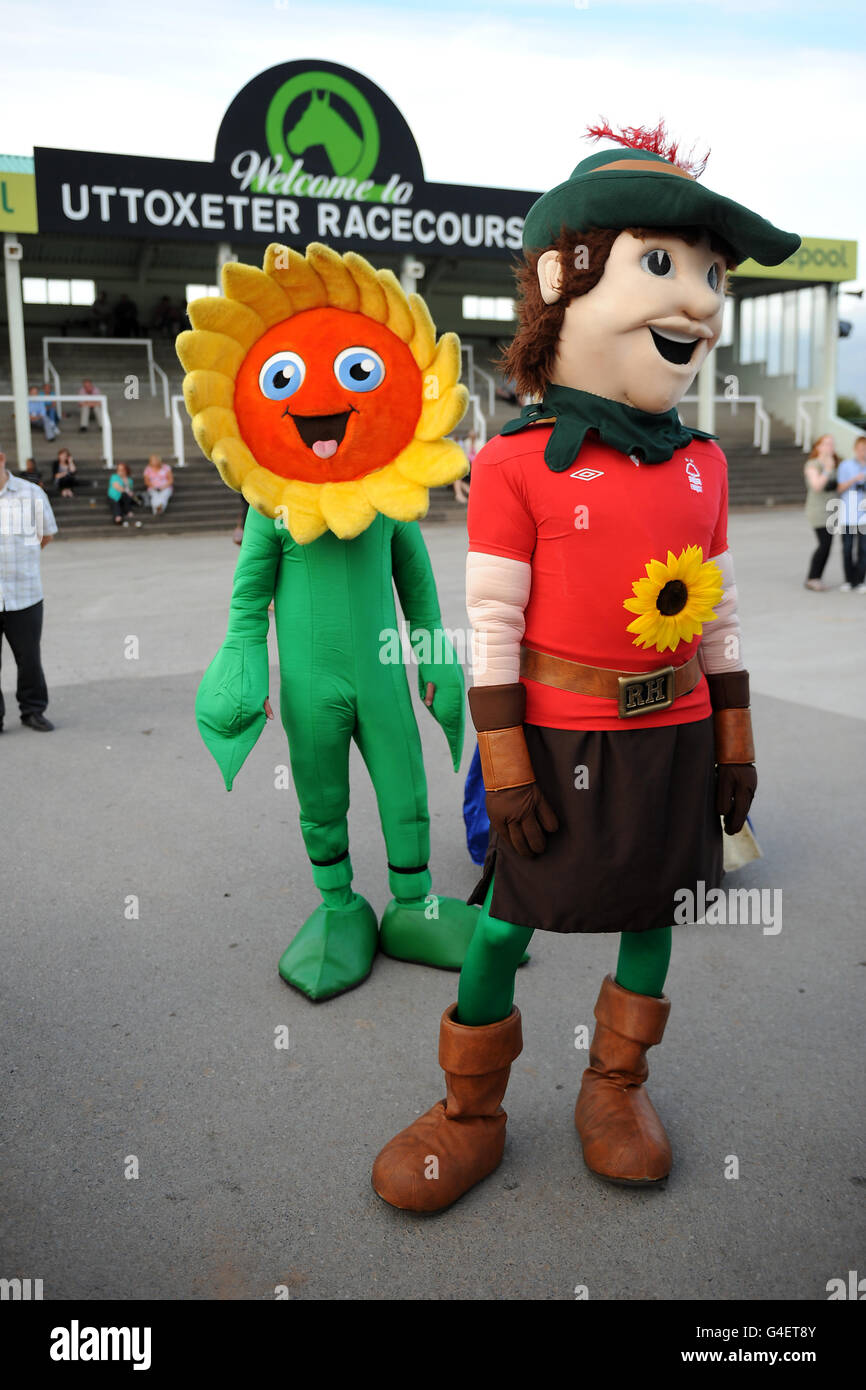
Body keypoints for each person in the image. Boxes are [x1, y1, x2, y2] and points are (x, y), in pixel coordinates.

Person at [372, 120, 799, 1212]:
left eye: (709, 276)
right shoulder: (514, 460)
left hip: (672, 737)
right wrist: (506, 765)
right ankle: (468, 1109)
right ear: (565, 278)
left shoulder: (701, 464)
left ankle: (614, 1087)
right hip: (557, 742)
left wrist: (733, 741)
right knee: (507, 922)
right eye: (662, 266)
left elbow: (719, 616)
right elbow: (493, 625)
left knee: (652, 915)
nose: (700, 303)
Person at [0, 446, 58, 732]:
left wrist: (22, 561)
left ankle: (33, 710)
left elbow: (45, 535)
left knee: (29, 658)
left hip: (25, 594)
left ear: (1, 459)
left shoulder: (30, 493)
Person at [803, 433, 839, 590]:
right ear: (818, 446)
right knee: (824, 544)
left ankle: (816, 577)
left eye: (832, 444)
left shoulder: (835, 463)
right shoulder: (813, 464)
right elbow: (816, 486)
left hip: (832, 510)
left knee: (827, 544)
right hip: (818, 511)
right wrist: (827, 470)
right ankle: (813, 578)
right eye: (826, 444)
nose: (830, 447)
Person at [835, 435, 866, 592]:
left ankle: (860, 580)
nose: (864, 452)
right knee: (847, 548)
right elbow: (839, 489)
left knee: (863, 549)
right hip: (848, 514)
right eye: (861, 449)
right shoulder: (846, 466)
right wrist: (855, 479)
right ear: (855, 449)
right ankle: (849, 580)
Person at [107, 462, 141, 526]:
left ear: (126, 470)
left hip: (124, 498)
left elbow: (130, 490)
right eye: (119, 470)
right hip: (114, 496)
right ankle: (118, 516)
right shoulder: (114, 477)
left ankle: (127, 511)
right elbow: (116, 486)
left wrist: (129, 492)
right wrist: (127, 491)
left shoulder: (129, 480)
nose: (120, 472)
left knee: (126, 496)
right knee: (115, 502)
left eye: (122, 470)